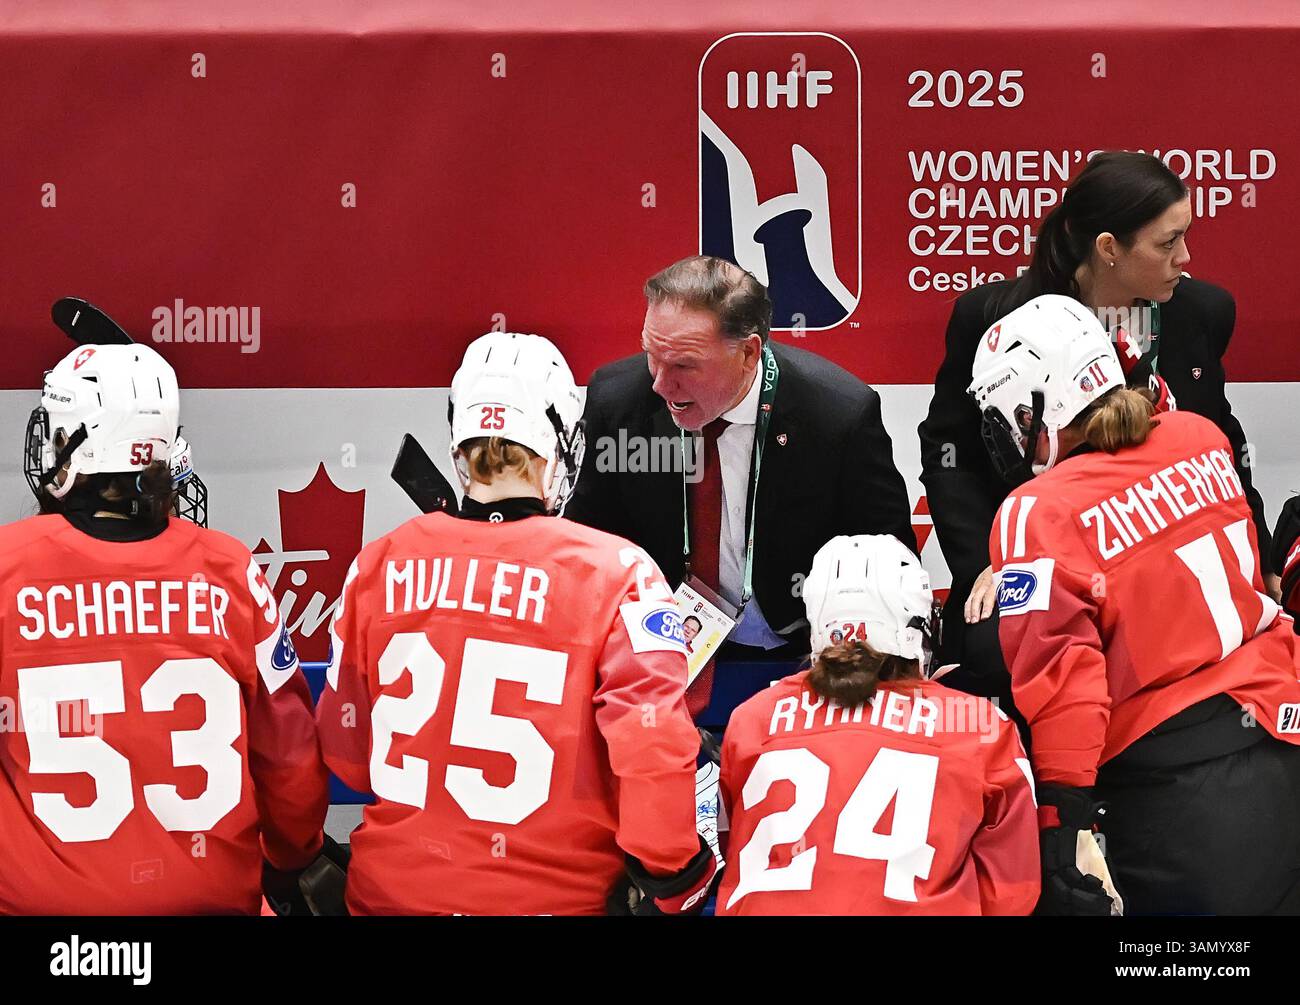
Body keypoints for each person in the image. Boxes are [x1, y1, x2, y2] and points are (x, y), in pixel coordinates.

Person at [315, 331, 715, 916]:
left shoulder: (380, 563)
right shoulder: (619, 573)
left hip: (392, 897)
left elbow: (348, 755)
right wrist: (674, 875)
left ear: (460, 440)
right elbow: (651, 749)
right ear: (563, 442)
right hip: (557, 900)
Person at [971, 294, 1300, 915]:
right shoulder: (1199, 435)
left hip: (1177, 792)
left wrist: (1062, 820)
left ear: (1032, 406)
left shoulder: (1035, 511)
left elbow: (1064, 679)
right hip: (1283, 728)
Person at [920, 151, 1277, 709]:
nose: (1185, 257)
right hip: (1037, 569)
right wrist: (990, 562)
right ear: (1109, 248)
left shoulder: (1201, 313)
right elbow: (951, 452)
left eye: (1185, 237)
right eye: (1168, 242)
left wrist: (1263, 561)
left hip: (1160, 565)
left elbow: (1221, 438)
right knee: (1002, 656)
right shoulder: (991, 317)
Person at [2, 343, 328, 914]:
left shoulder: (9, 567)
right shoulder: (229, 569)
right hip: (212, 902)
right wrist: (292, 858)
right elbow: (290, 760)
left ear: (74, 442)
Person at [566, 256, 915, 703]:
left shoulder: (837, 415)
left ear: (749, 353)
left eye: (684, 366)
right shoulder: (618, 401)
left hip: (800, 654)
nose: (660, 385)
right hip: (659, 653)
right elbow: (588, 543)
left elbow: (888, 557)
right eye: (652, 355)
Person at [715, 534, 1039, 916]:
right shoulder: (978, 724)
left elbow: (733, 848)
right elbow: (1012, 890)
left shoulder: (753, 717)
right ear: (919, 625)